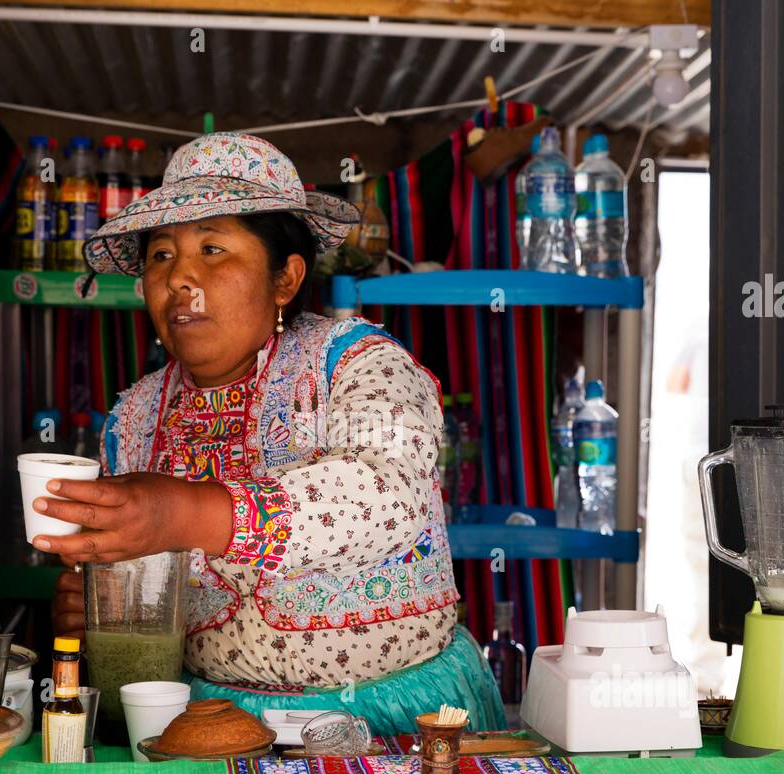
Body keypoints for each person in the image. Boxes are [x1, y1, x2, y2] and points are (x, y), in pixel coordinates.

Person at [43, 132, 503, 733]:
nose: (180, 277)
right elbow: (141, 618)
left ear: (285, 278)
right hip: (207, 727)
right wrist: (93, 617)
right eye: (161, 256)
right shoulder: (133, 419)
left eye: (212, 249)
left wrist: (189, 513)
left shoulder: (357, 363)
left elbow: (392, 492)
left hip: (398, 723)